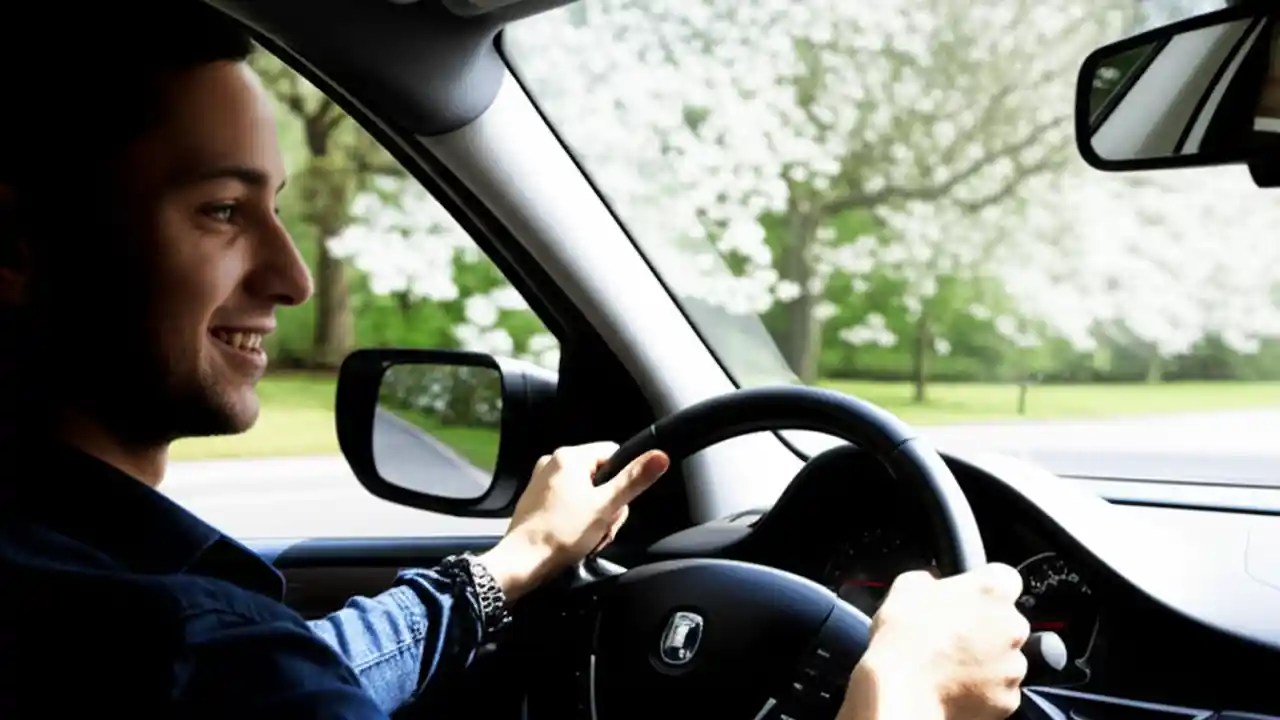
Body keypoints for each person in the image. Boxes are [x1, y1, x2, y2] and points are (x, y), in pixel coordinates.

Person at [0, 4, 1029, 719]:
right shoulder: (180, 647)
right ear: (19, 250)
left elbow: (308, 666)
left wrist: (510, 566)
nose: (293, 279)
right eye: (221, 212)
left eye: (274, 207)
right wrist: (900, 696)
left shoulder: (136, 616)